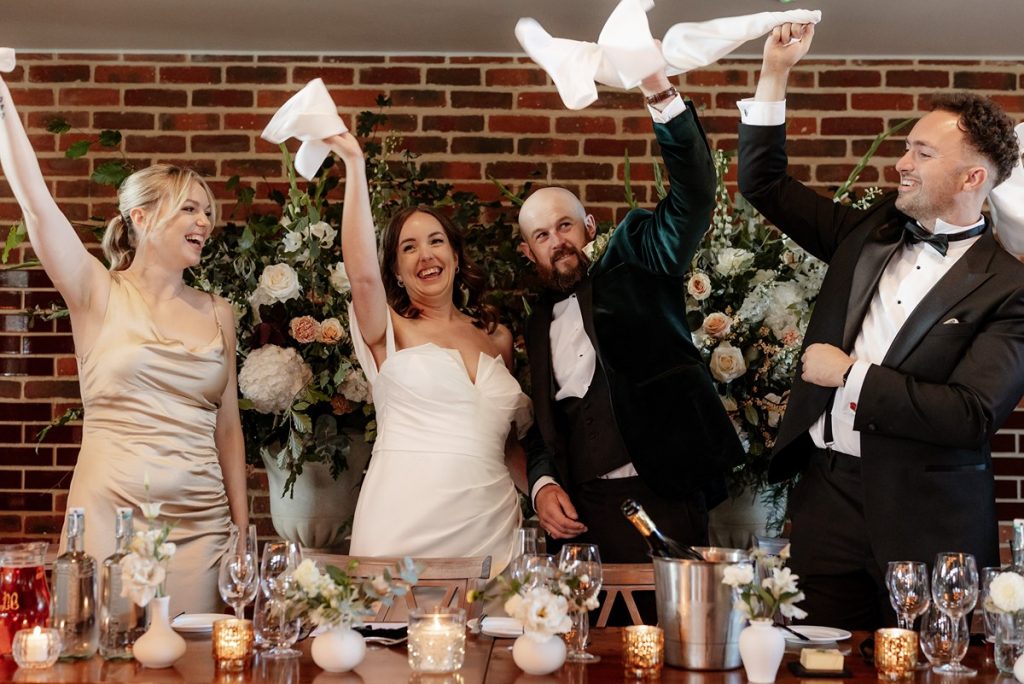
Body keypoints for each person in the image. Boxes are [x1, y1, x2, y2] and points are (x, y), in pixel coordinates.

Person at [738, 23, 1024, 629]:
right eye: (907, 148)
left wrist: (850, 375)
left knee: (926, 668)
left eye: (923, 153)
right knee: (816, 663)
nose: (902, 163)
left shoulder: (1010, 286)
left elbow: (971, 413)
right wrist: (775, 71)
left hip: (929, 520)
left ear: (973, 178)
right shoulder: (865, 235)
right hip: (828, 497)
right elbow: (763, 183)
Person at [0, 70, 248, 614]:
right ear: (140, 218)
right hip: (108, 518)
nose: (204, 221)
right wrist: (1, 100)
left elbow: (228, 426)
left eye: (207, 211)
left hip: (201, 529)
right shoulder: (96, 292)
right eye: (189, 207)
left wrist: (242, 531)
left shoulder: (219, 313)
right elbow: (39, 208)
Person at [517, 66, 745, 565]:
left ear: (589, 226)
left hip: (666, 491)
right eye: (542, 235)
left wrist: (661, 97)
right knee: (585, 639)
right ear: (528, 251)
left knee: (675, 633)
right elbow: (540, 425)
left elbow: (695, 196)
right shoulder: (533, 326)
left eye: (565, 226)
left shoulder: (639, 262)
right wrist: (542, 485)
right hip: (583, 511)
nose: (557, 242)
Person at [328, 133, 529, 578]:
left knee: (490, 642)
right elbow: (360, 276)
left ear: (455, 255)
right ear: (396, 274)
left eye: (435, 241)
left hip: (490, 527)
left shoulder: (496, 338)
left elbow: (508, 442)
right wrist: (355, 166)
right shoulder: (388, 329)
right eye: (408, 247)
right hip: (403, 519)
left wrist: (552, 493)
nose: (425, 255)